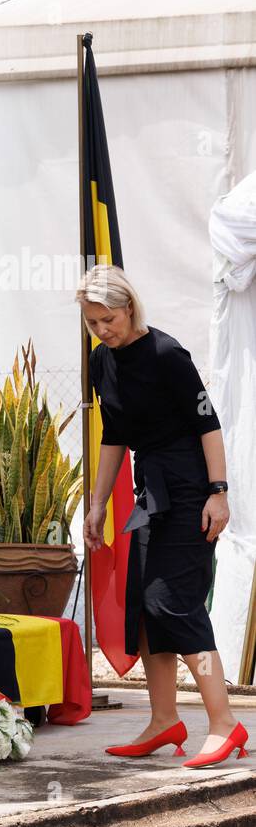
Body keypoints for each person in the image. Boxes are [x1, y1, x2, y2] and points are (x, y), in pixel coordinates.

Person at [79, 264, 247, 768]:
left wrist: (219, 492)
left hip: (191, 490)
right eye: (93, 323)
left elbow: (209, 425)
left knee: (175, 603)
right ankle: (163, 721)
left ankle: (224, 723)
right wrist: (98, 503)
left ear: (129, 306)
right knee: (146, 608)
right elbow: (113, 435)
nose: (103, 330)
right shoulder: (101, 362)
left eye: (108, 318)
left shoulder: (168, 354)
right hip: (148, 491)